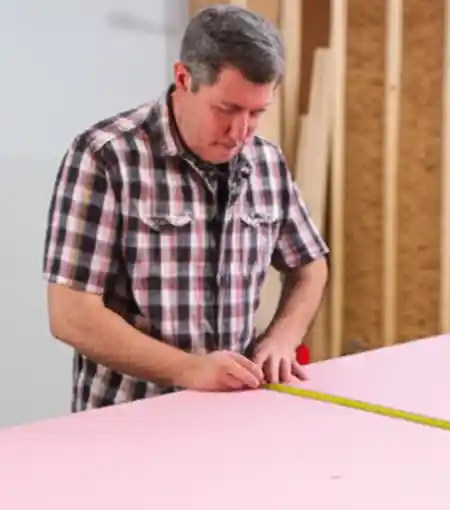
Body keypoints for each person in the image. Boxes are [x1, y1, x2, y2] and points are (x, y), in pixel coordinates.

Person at [42, 5, 329, 412]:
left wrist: (282, 338)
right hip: (126, 424)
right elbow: (70, 314)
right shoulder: (107, 156)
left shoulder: (266, 162)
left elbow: (310, 267)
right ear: (183, 78)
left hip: (232, 414)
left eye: (256, 113)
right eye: (226, 110)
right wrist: (189, 370)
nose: (240, 132)